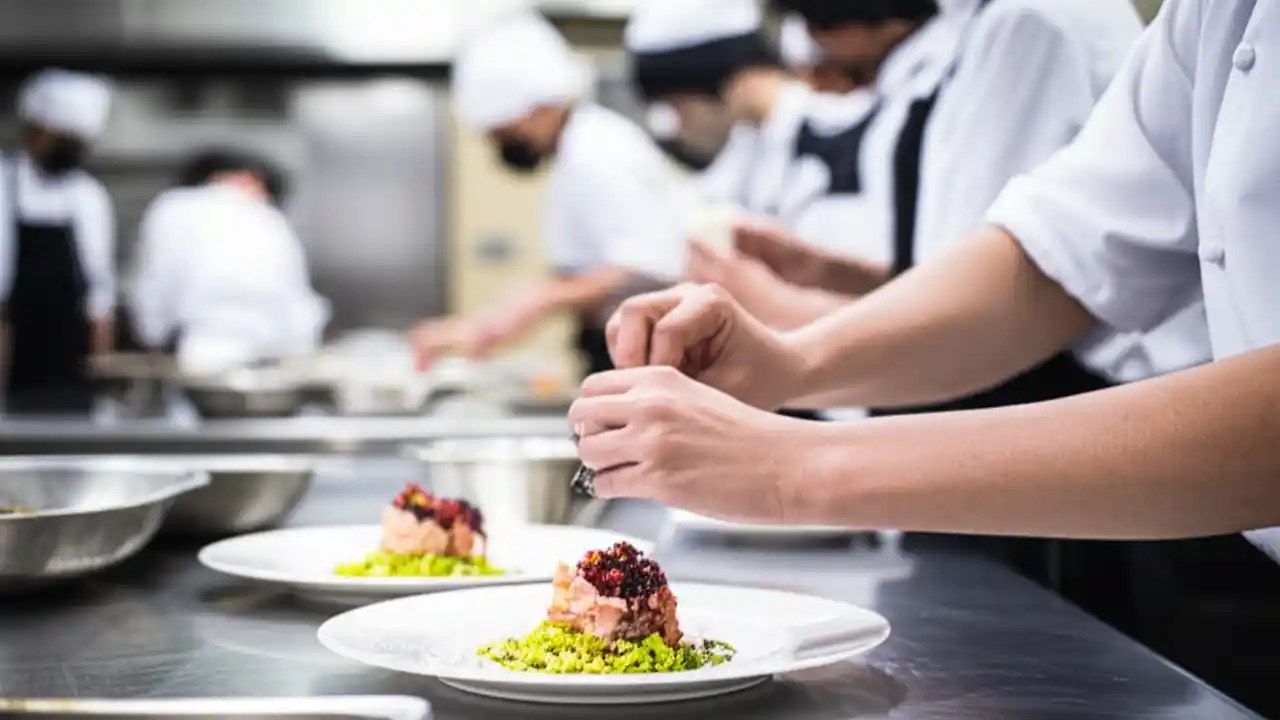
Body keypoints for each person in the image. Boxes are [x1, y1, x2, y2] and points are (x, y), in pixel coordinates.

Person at [570, 0, 1280, 713]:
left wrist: (793, 465)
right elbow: (1058, 253)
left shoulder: (1043, 22)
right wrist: (791, 360)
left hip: (1182, 527)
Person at [409, 11, 685, 377]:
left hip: (643, 348)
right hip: (616, 342)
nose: (500, 144)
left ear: (539, 105)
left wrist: (541, 299)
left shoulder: (596, 150)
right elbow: (583, 270)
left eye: (504, 131)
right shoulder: (575, 151)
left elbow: (647, 262)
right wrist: (487, 323)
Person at [128, 148, 329, 376]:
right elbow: (300, 309)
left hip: (199, 355)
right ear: (248, 177)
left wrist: (152, 339)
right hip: (268, 360)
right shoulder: (271, 220)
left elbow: (153, 288)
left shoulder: (173, 208)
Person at [0, 69, 115, 413]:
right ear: (35, 131)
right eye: (62, 140)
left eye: (77, 144)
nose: (70, 152)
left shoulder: (90, 195)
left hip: (72, 364)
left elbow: (99, 301)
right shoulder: (4, 185)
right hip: (15, 356)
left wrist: (101, 384)